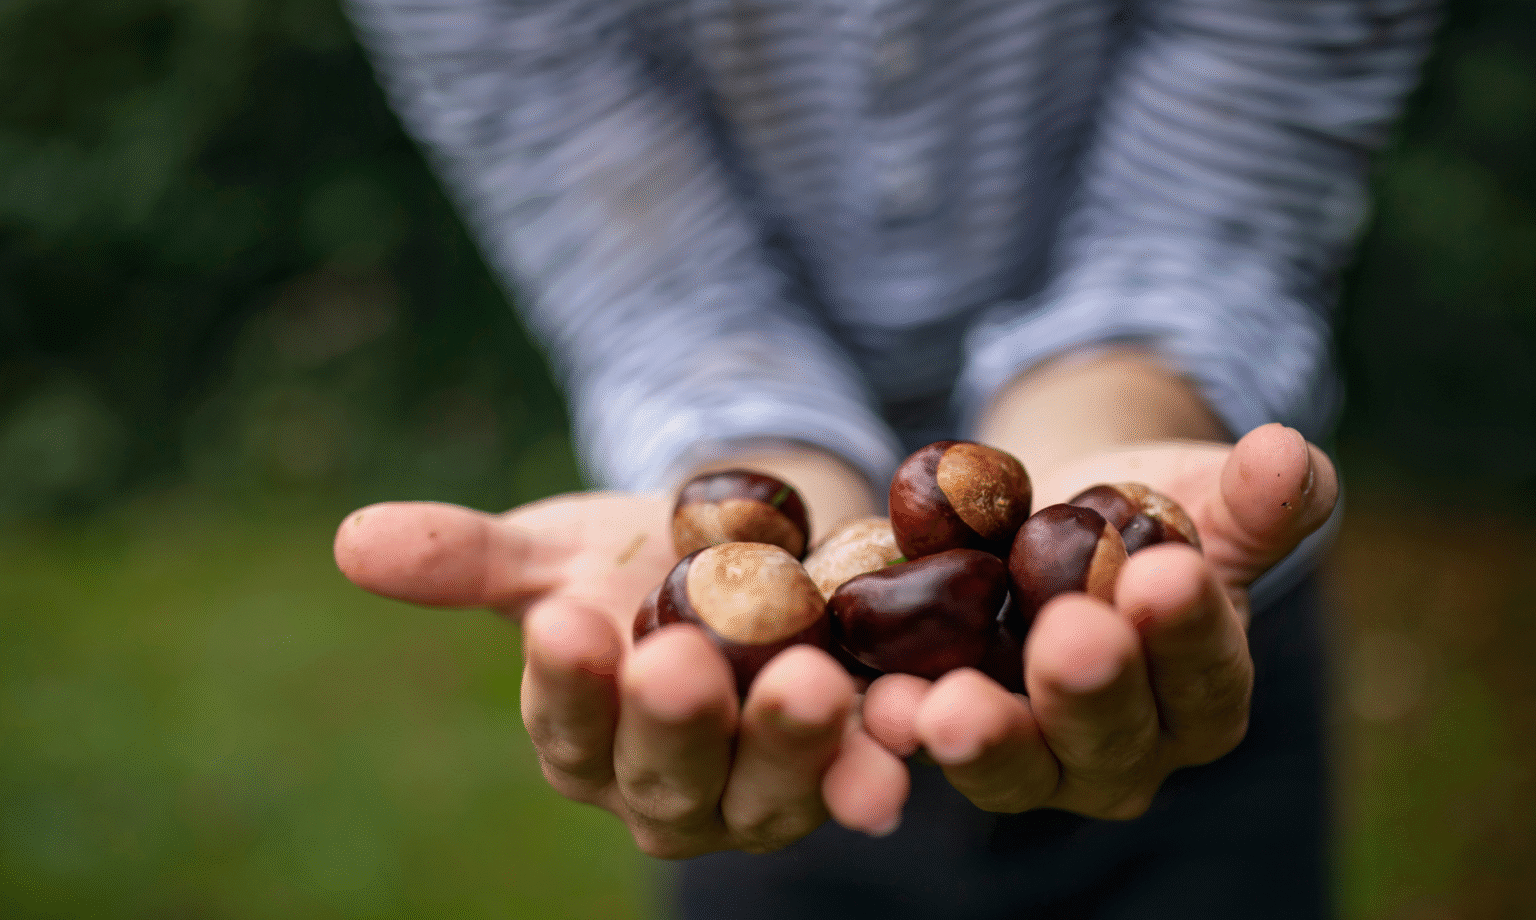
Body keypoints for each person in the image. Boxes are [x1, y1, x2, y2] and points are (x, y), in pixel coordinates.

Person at [332, 0, 1436, 915]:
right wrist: (767, 469)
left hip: (1199, 626)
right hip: (770, 730)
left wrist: (1108, 415)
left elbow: (1222, 186)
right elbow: (649, 274)